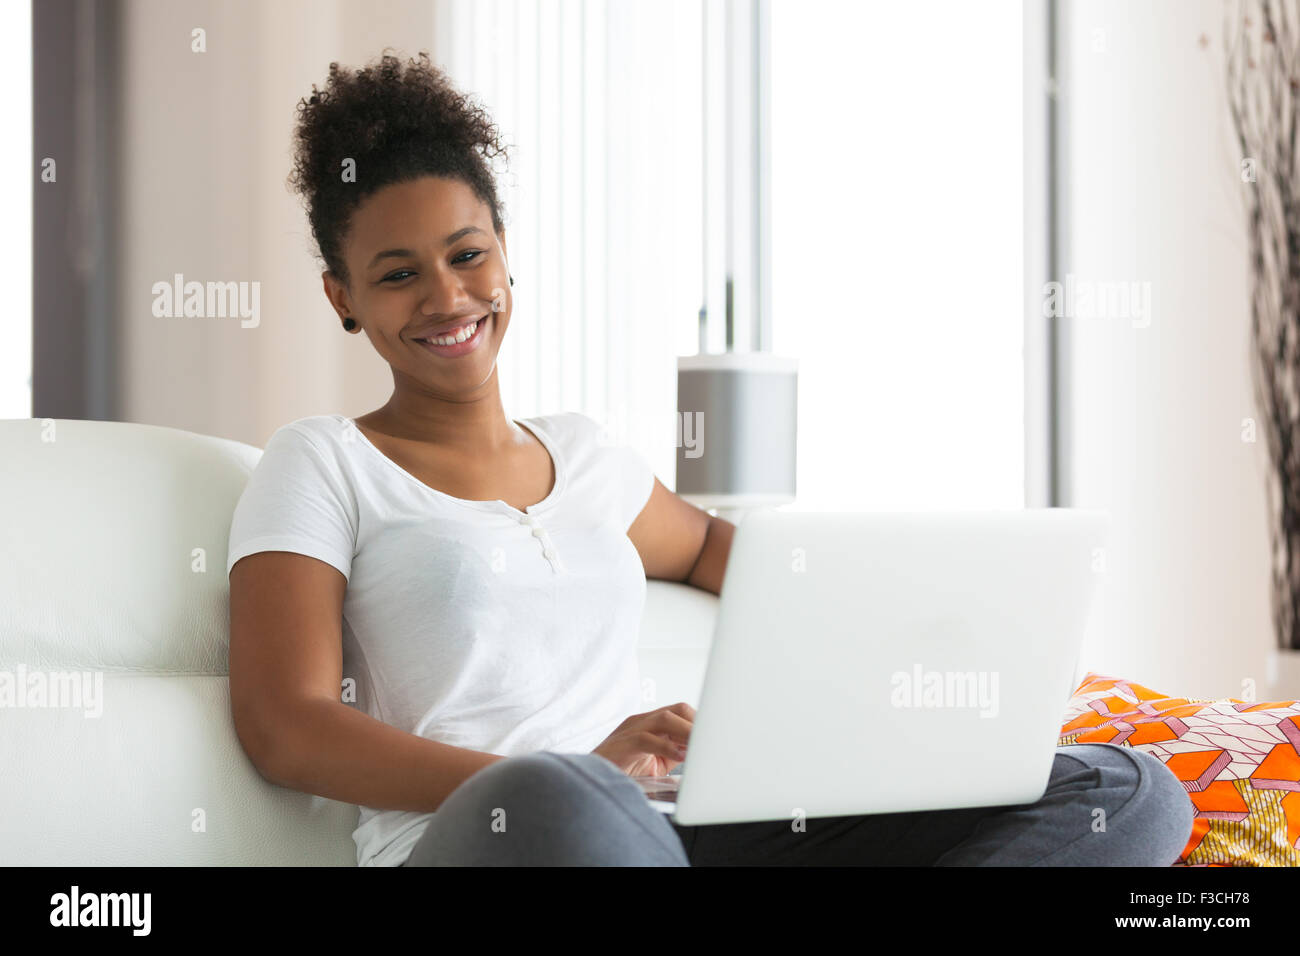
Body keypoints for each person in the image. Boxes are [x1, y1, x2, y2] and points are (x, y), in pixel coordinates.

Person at [226, 50, 1195, 867]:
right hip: (505, 830)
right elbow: (287, 724)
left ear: (505, 254)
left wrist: (932, 650)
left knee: (1126, 789)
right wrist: (579, 771)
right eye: (398, 274)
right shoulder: (322, 462)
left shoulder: (587, 456)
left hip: (670, 826)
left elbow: (751, 565)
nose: (446, 296)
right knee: (562, 802)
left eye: (466, 254)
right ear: (341, 295)